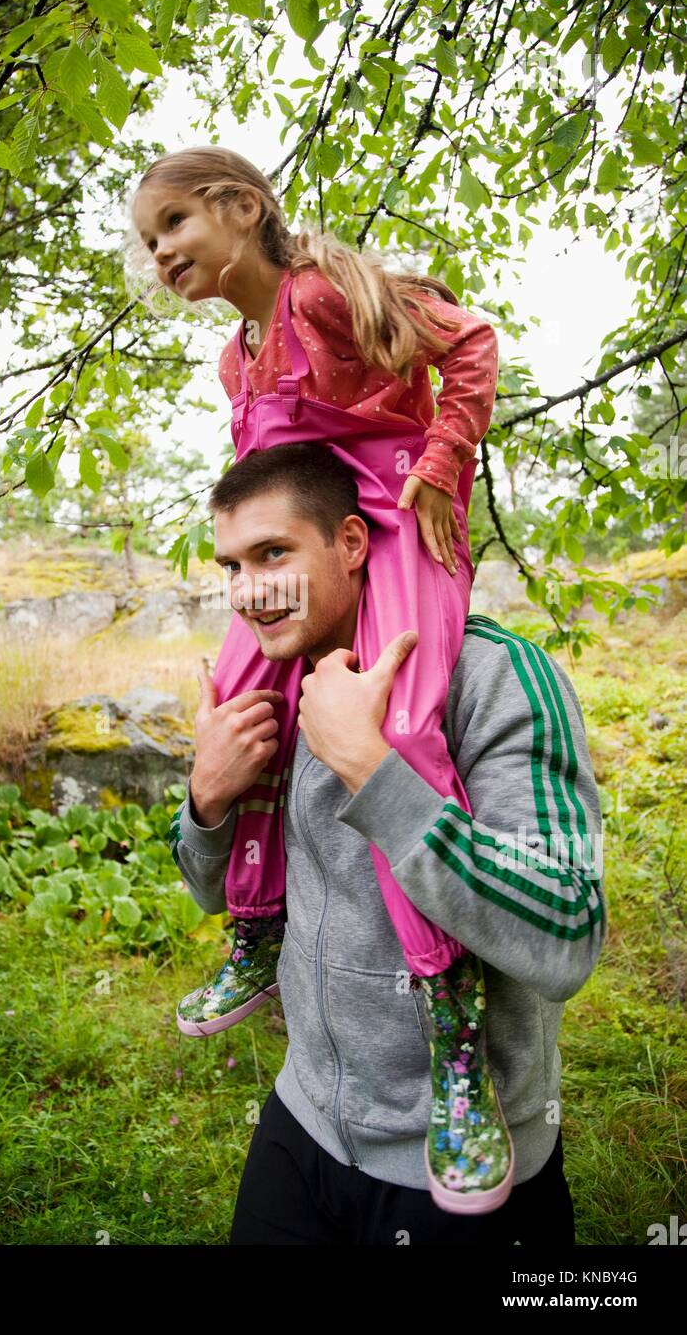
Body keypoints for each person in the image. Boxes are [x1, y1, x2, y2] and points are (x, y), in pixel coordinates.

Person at [128, 145, 506, 1210]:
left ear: (239, 206)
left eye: (171, 226)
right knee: (238, 707)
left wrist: (442, 459)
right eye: (148, 242)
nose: (158, 253)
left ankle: (453, 1035)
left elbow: (467, 340)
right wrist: (251, 564)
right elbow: (268, 485)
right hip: (313, 551)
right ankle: (256, 924)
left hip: (397, 525)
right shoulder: (233, 358)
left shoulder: (319, 294)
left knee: (403, 730)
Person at [169, 441, 606, 1245]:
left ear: (351, 542)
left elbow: (566, 935)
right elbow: (213, 890)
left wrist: (374, 770)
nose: (247, 591)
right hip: (306, 1117)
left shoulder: (497, 677)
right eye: (231, 565)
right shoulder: (279, 684)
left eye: (273, 553)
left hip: (457, 1172)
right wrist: (207, 798)